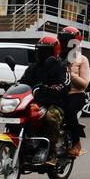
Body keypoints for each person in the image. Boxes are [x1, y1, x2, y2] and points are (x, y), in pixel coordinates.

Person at [18, 36, 69, 165]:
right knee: (20, 115)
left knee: (50, 118)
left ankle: (51, 152)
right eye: (40, 50)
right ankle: (25, 143)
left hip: (55, 102)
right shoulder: (33, 67)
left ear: (54, 51)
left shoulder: (61, 66)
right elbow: (23, 82)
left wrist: (57, 87)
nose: (41, 53)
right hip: (37, 102)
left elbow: (65, 83)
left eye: (45, 51)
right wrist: (11, 85)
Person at [59, 25, 88, 158]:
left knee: (69, 112)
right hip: (58, 93)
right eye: (63, 39)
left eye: (68, 40)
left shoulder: (82, 59)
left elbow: (84, 84)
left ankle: (76, 143)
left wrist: (70, 73)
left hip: (75, 95)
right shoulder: (56, 57)